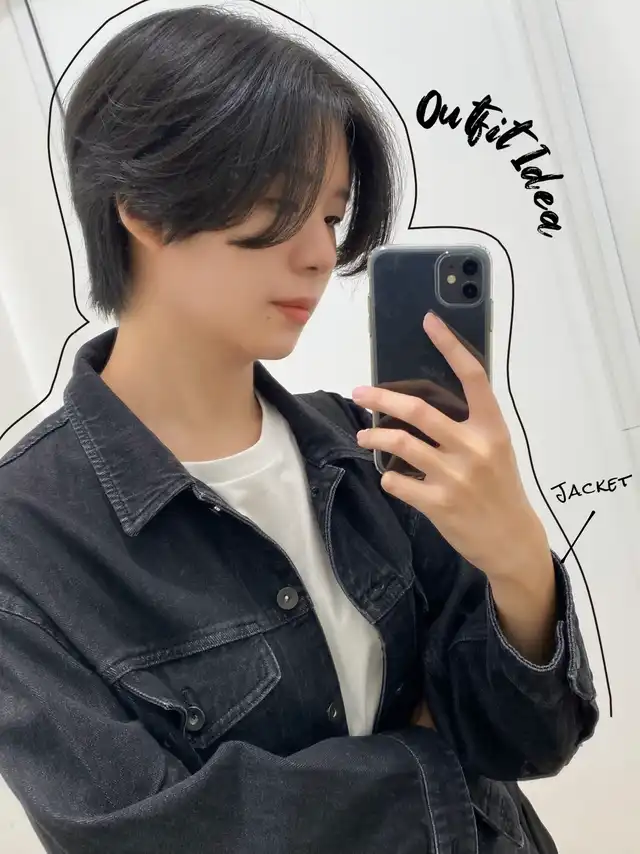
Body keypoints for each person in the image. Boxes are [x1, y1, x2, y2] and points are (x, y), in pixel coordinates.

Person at [0, 7, 598, 854]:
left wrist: (518, 565)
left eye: (333, 215)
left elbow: (524, 741)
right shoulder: (24, 546)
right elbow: (146, 837)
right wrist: (430, 763)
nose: (321, 254)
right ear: (142, 207)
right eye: (281, 206)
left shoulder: (369, 447)